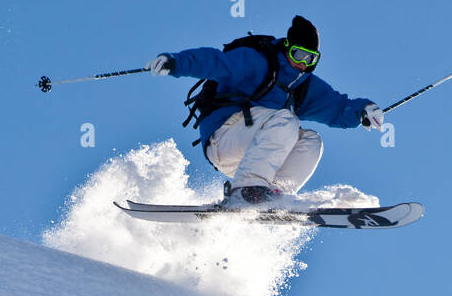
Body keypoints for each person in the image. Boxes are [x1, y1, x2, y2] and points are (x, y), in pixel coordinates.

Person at [149, 17, 384, 205]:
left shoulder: (303, 85)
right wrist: (176, 63)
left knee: (312, 140)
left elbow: (336, 106)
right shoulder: (258, 62)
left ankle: (272, 197)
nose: (304, 63)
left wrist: (362, 110)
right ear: (287, 48)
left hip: (254, 154)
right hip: (223, 138)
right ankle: (247, 191)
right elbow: (215, 62)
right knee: (286, 120)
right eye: (299, 55)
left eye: (311, 59)